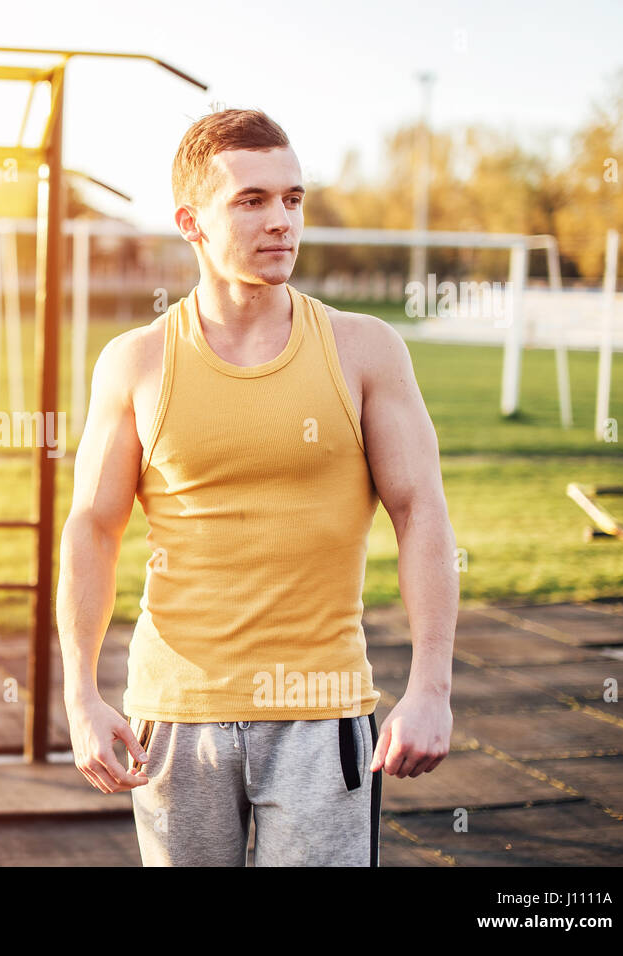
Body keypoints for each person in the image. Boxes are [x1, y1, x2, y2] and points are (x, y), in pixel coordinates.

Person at [56, 108, 458, 866]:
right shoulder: (137, 362)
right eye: (252, 201)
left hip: (320, 712)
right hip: (175, 717)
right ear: (191, 222)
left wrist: (431, 687)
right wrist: (81, 693)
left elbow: (421, 513)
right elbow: (92, 529)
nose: (282, 221)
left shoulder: (364, 348)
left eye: (293, 199)